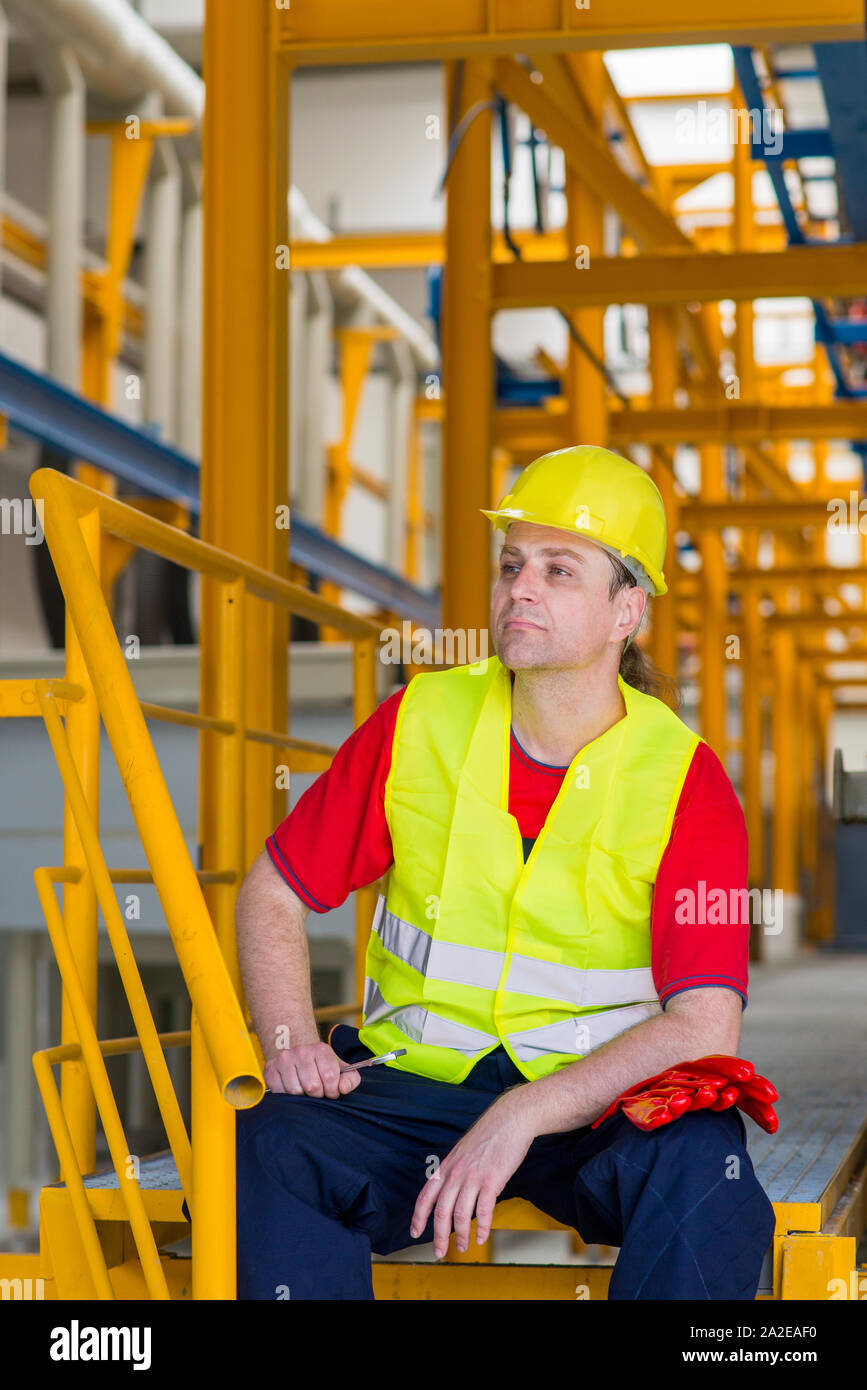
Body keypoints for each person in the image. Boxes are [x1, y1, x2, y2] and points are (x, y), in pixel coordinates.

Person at [234, 444, 777, 1301]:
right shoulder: (420, 720)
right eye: (512, 564)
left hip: (595, 1107)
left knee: (709, 1170)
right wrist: (290, 1039)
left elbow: (704, 1030)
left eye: (560, 570)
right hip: (416, 1089)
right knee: (273, 1143)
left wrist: (520, 1114)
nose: (520, 588)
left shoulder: (684, 777)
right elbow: (272, 890)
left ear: (623, 611)